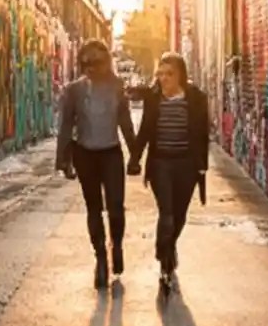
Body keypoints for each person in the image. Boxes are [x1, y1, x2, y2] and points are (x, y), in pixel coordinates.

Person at [55, 40, 136, 290]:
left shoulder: (117, 86)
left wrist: (135, 155)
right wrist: (63, 160)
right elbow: (66, 125)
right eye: (85, 63)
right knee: (93, 208)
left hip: (111, 152)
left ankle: (117, 245)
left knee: (116, 208)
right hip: (85, 154)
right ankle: (100, 258)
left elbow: (125, 121)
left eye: (96, 63)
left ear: (107, 62)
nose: (90, 68)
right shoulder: (73, 90)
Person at [127, 53, 209, 288]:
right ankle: (164, 260)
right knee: (167, 214)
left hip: (187, 165)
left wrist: (201, 166)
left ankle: (169, 246)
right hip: (161, 163)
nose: (164, 79)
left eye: (169, 74)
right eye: (160, 74)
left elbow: (202, 135)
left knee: (180, 215)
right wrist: (135, 158)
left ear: (181, 75)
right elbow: (144, 131)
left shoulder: (196, 99)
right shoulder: (154, 99)